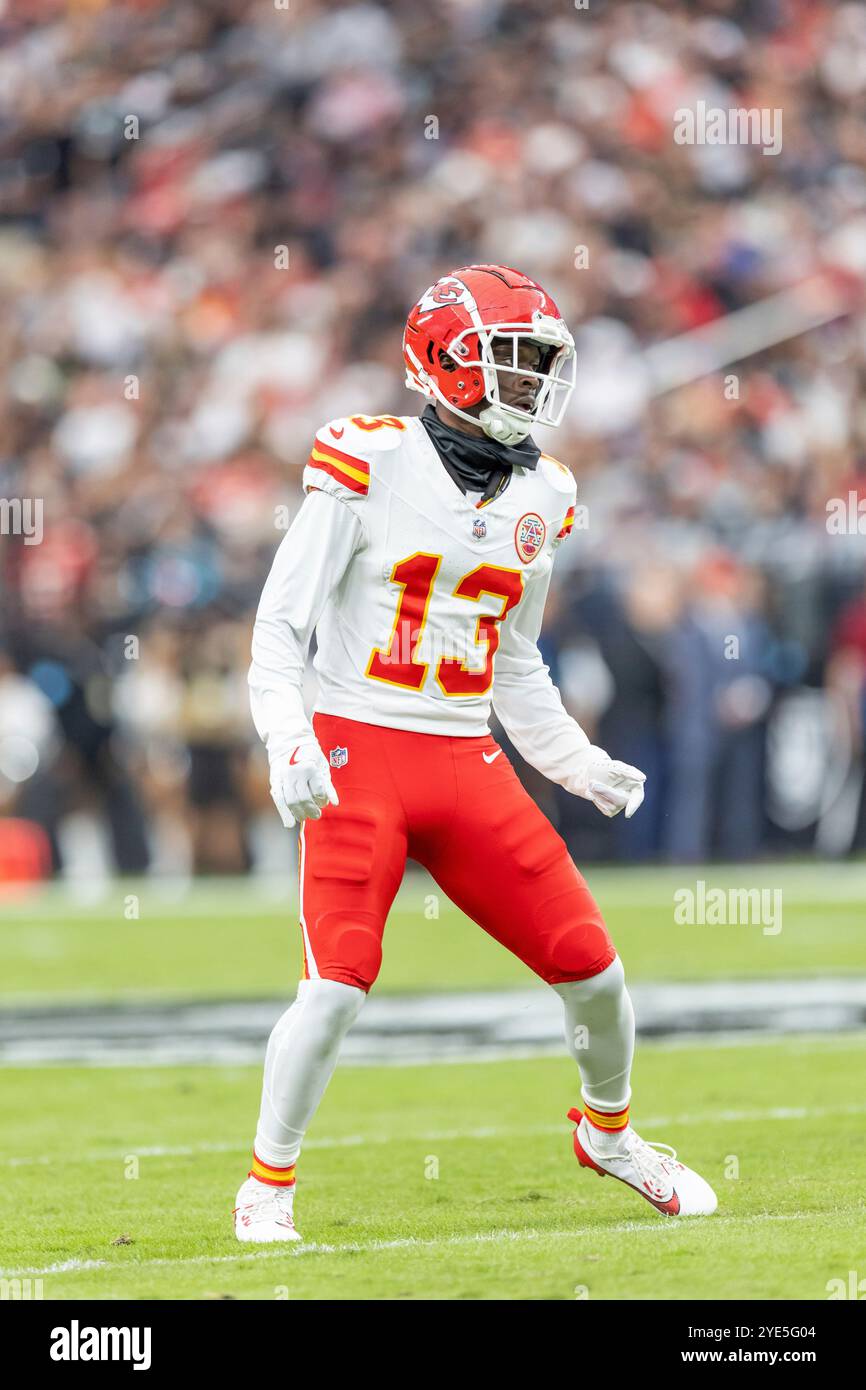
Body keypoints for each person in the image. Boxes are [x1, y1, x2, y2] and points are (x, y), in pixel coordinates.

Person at [234, 264, 717, 1241]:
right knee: (336, 981)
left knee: (593, 967)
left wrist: (572, 759)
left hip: (464, 757)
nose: (534, 382)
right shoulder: (369, 459)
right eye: (515, 359)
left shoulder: (543, 491)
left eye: (543, 363)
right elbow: (279, 628)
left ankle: (609, 1134)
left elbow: (513, 660)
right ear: (445, 364)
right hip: (356, 745)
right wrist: (288, 737)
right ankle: (267, 1184)